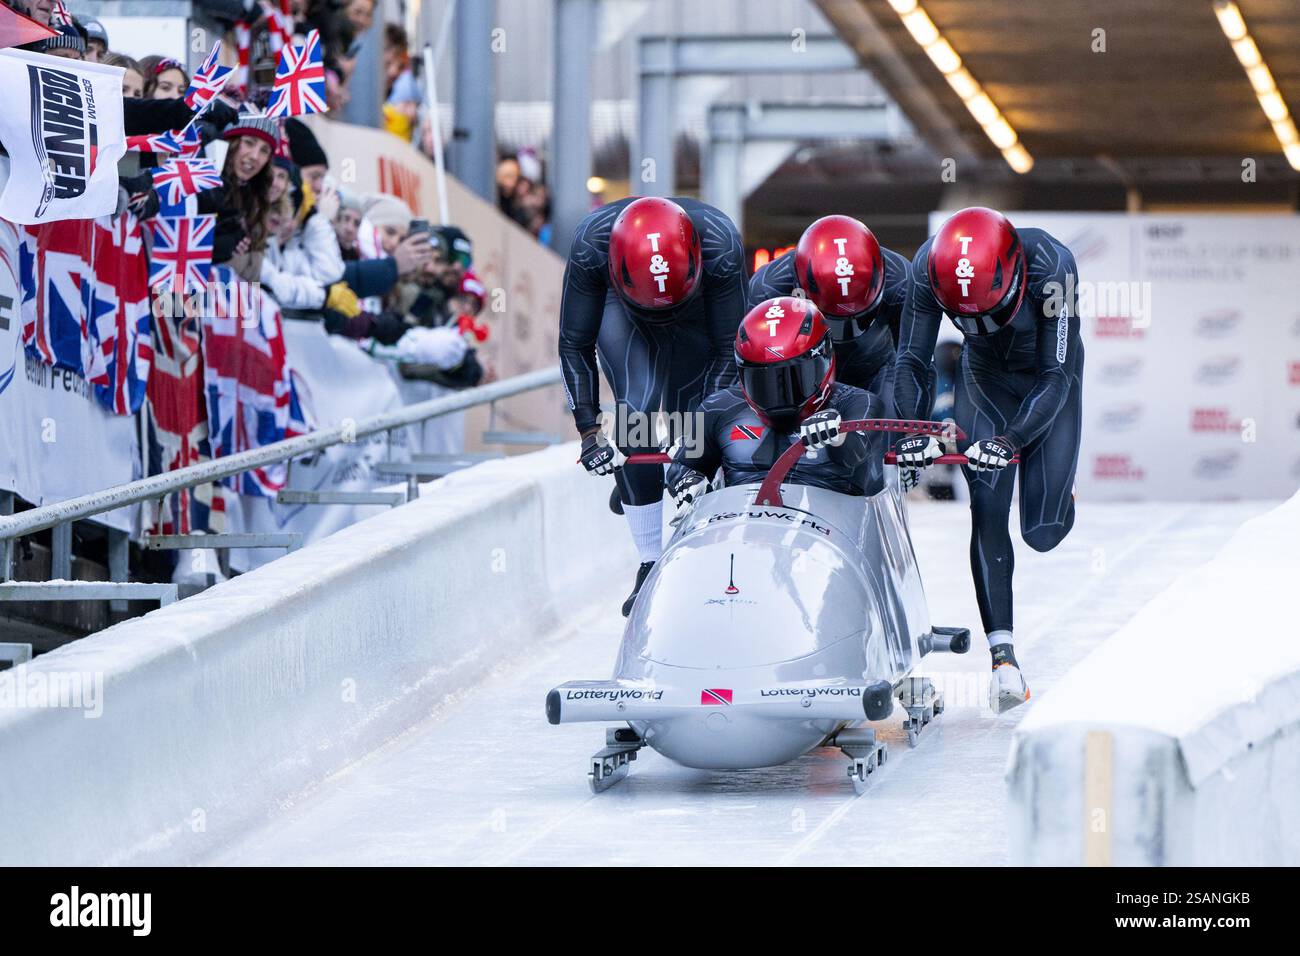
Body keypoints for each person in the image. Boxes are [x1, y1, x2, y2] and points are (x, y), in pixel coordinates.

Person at [893, 206, 1083, 714]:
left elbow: (1056, 377)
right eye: (968, 320)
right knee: (987, 503)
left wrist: (1014, 439)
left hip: (1046, 378)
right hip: (986, 379)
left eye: (991, 315)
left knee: (1043, 530)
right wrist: (913, 429)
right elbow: (911, 358)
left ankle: (1059, 490)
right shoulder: (926, 267)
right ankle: (1004, 660)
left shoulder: (1052, 264)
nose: (982, 324)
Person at [559, 195, 746, 615]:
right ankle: (648, 559)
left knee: (692, 426)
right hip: (620, 309)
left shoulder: (721, 245)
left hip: (697, 313)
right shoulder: (592, 245)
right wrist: (590, 432)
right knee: (635, 412)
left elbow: (728, 350)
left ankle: (685, 528)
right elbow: (574, 344)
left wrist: (695, 445)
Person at [665, 296, 886, 516]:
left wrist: (839, 436)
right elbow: (685, 464)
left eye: (795, 378)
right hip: (742, 529)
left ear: (825, 357)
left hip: (830, 531)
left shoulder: (858, 403)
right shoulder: (717, 408)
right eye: (763, 382)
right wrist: (686, 482)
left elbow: (857, 450)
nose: (779, 397)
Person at [747, 215, 913, 412]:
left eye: (861, 318)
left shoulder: (902, 281)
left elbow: (914, 358)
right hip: (805, 380)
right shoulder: (768, 288)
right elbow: (751, 367)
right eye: (834, 322)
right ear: (800, 292)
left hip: (875, 369)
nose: (845, 334)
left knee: (889, 431)